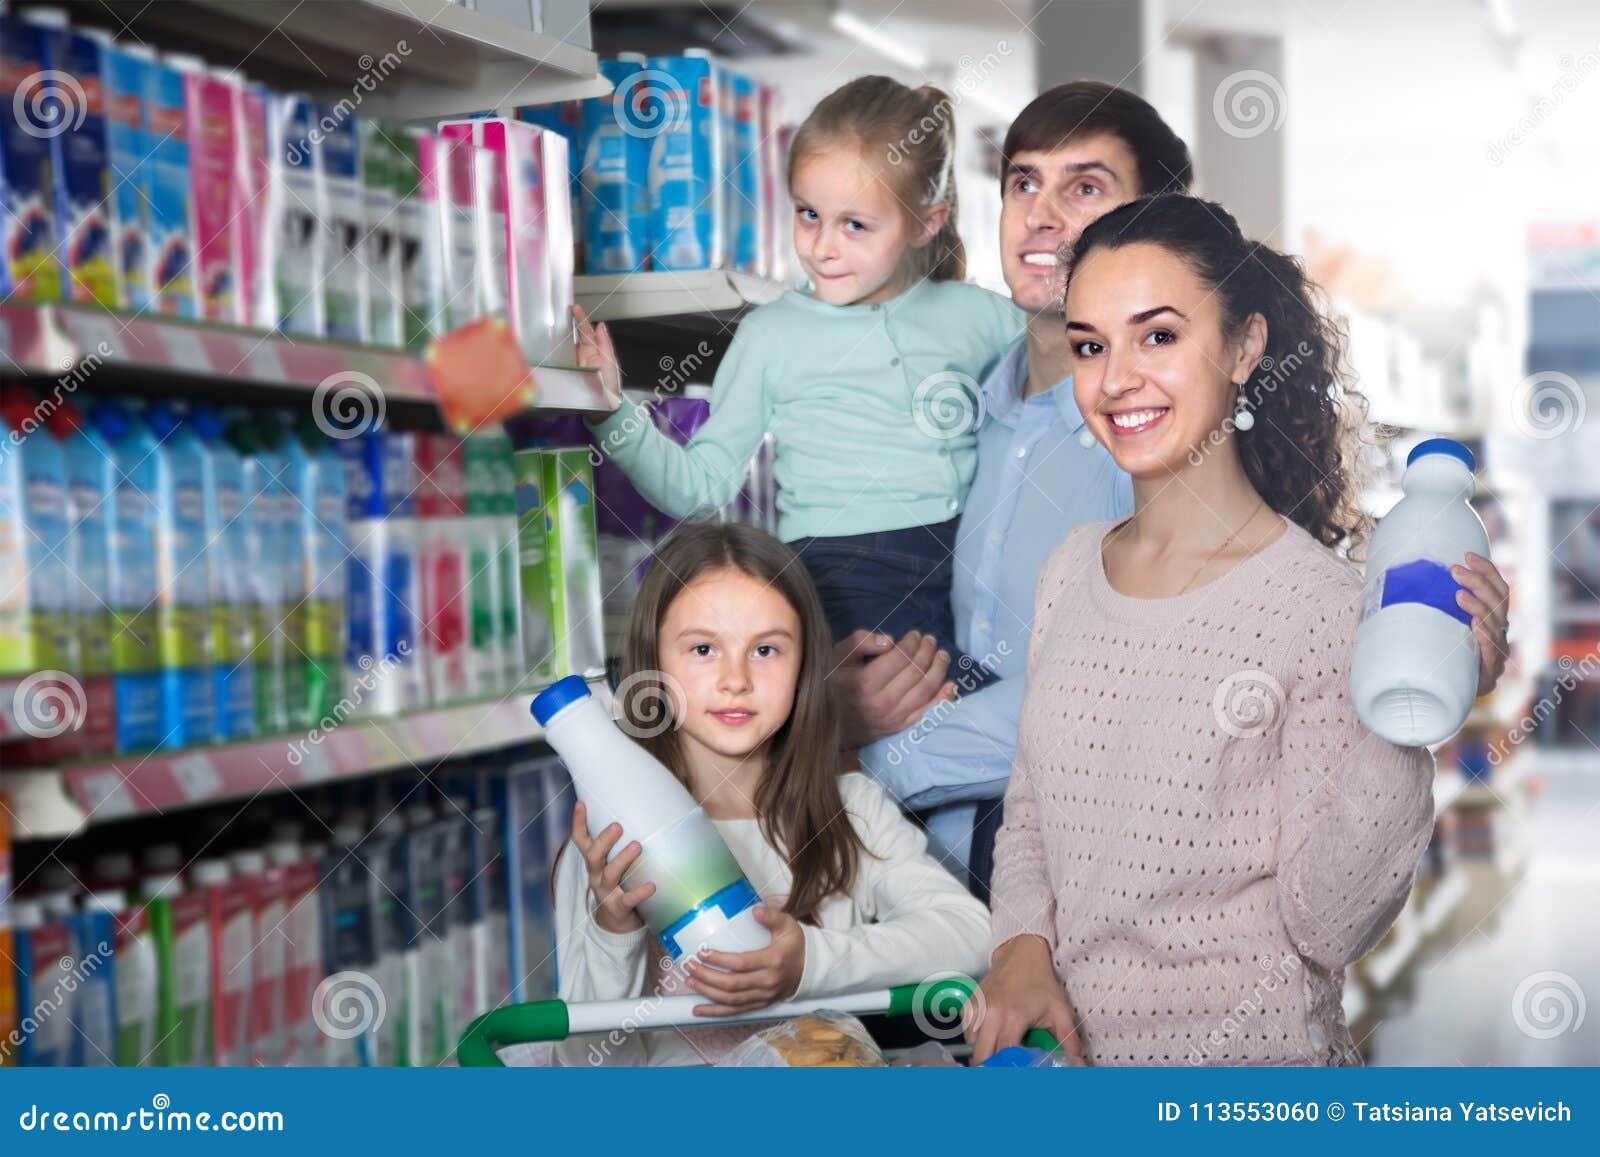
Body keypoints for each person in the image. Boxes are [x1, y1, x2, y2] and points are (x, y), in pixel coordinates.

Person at [834, 82, 1511, 895]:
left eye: (1084, 188)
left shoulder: (1155, 445)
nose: (1041, 216)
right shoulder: (971, 405)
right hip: (926, 881)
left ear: (1149, 222)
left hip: (1085, 880)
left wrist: (851, 758)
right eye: (1023, 183)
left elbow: (1101, 697)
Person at [969, 193, 1510, 1067]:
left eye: (1159, 336)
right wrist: (1020, 946)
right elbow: (1031, 808)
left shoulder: (1322, 606)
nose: (1115, 380)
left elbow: (1329, 924)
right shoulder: (1070, 567)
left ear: (1243, 347)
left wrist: (1404, 714)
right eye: (1090, 345)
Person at [575, 75, 1022, 666]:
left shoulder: (983, 317)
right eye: (809, 214)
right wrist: (613, 412)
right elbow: (699, 488)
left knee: (1001, 716)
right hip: (839, 574)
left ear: (925, 222)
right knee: (902, 732)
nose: (822, 248)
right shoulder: (770, 335)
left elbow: (1058, 415)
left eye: (855, 225)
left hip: (976, 558)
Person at [551, 522, 990, 1066]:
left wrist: (809, 960)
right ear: (652, 662)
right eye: (704, 648)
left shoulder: (849, 810)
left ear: (807, 663)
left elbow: (970, 935)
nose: (736, 678)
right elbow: (583, 1070)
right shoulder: (611, 849)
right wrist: (614, 934)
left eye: (765, 649)